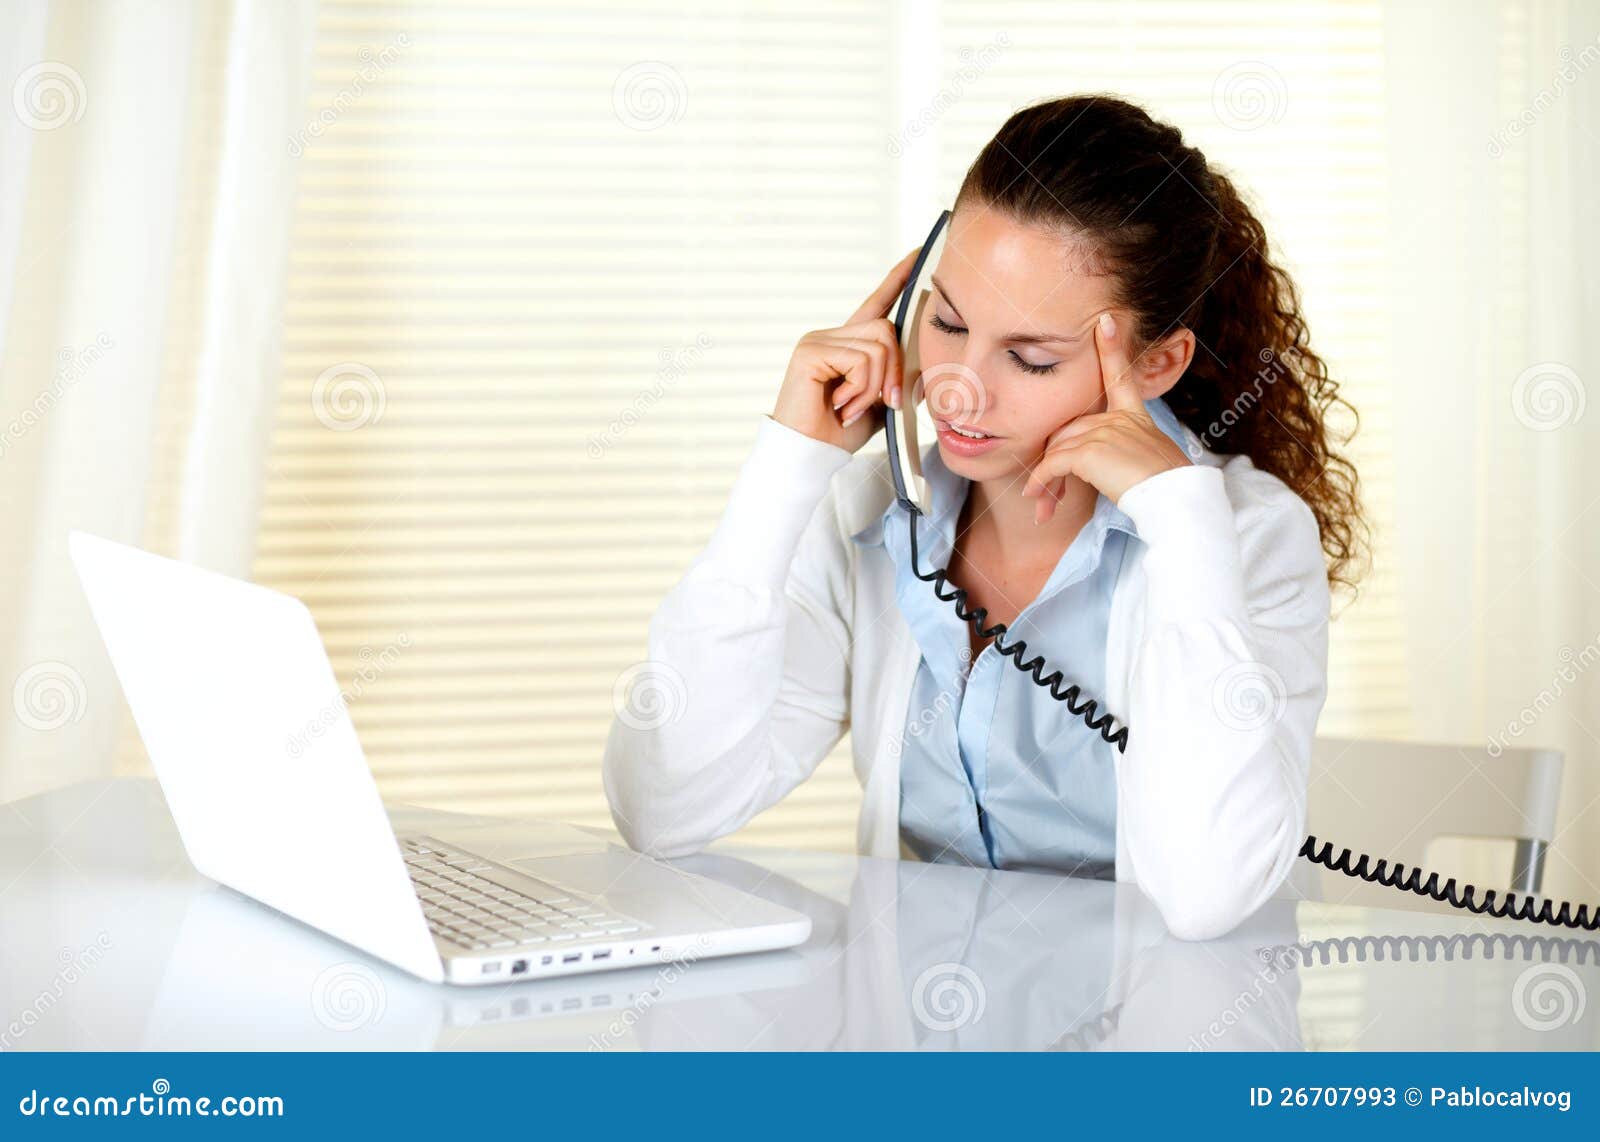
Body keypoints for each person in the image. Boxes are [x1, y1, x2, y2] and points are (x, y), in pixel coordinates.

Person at [603, 94, 1367, 940]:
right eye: (948, 321)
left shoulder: (1247, 536)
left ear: (1156, 363)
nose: (962, 384)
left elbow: (1206, 898)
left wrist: (1183, 517)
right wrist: (784, 468)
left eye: (1031, 357)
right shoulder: (869, 515)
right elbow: (663, 811)